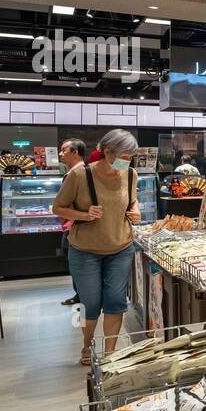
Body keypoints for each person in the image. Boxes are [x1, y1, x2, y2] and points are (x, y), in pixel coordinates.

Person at [51, 128, 141, 365]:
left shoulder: (131, 174)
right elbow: (57, 208)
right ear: (107, 152)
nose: (128, 161)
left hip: (121, 247)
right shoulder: (80, 176)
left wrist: (136, 210)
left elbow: (132, 199)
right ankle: (87, 344)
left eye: (131, 157)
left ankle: (110, 354)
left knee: (116, 301)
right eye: (124, 156)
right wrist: (84, 214)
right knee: (88, 302)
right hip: (84, 250)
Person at [57, 138, 87, 306]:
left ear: (75, 152)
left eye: (64, 150)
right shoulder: (81, 171)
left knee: (76, 264)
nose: (60, 154)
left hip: (74, 226)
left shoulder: (76, 174)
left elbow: (63, 205)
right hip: (74, 224)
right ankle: (81, 296)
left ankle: (83, 298)